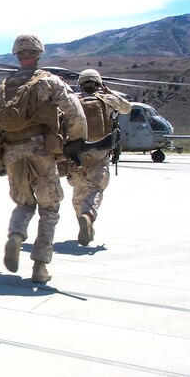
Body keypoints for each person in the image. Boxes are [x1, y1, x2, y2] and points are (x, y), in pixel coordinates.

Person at [0, 34, 86, 284]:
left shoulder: (5, 86)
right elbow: (75, 112)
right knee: (49, 208)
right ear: (38, 54)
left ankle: (16, 235)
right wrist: (74, 141)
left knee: (24, 204)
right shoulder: (50, 81)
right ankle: (40, 266)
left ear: (17, 55)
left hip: (12, 153)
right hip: (41, 150)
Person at [67, 69, 131, 245]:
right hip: (100, 152)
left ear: (80, 84)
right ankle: (88, 215)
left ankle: (85, 222)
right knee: (95, 188)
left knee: (78, 192)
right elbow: (126, 107)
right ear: (98, 83)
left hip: (76, 153)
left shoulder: (73, 101)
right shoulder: (107, 99)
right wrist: (108, 91)